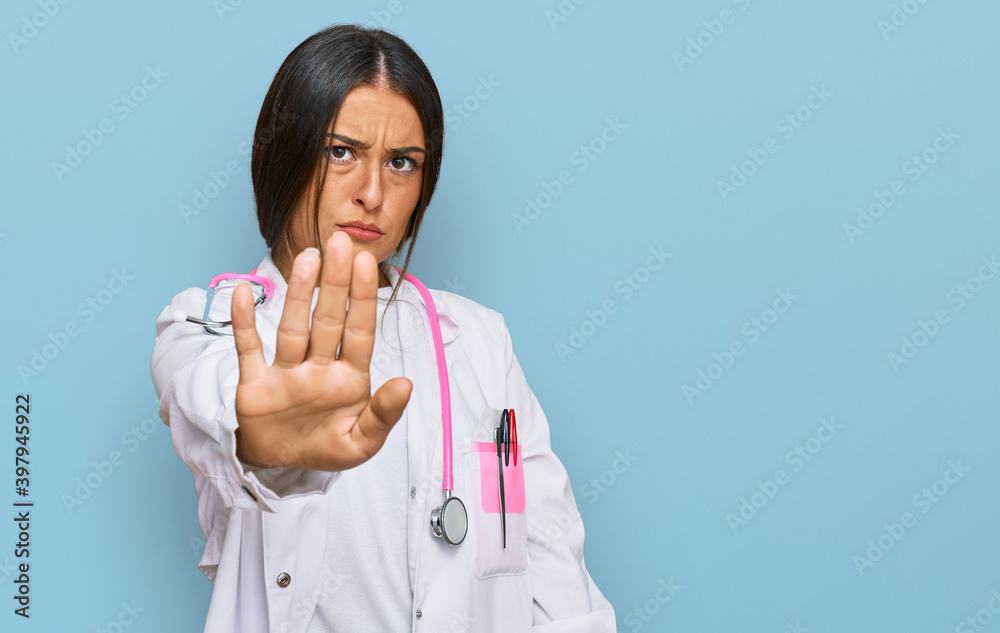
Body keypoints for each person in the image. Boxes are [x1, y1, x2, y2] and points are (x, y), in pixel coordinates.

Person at [151, 24, 615, 632]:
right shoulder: (205, 324)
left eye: (401, 162)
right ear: (283, 154)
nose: (373, 193)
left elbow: (558, 577)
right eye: (340, 151)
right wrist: (263, 446)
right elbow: (213, 402)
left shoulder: (480, 339)